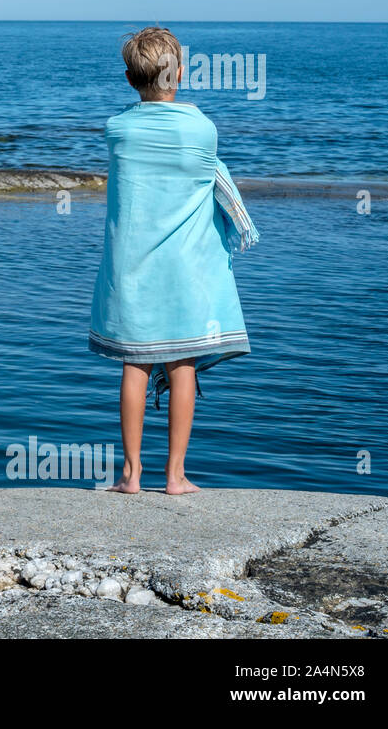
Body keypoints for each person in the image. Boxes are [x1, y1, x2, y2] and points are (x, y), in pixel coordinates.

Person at [89, 27, 260, 495]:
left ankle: (129, 474)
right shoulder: (202, 129)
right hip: (188, 268)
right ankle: (176, 475)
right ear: (180, 73)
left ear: (129, 78)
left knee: (134, 365)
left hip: (133, 269)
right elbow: (207, 178)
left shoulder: (117, 130)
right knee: (182, 362)